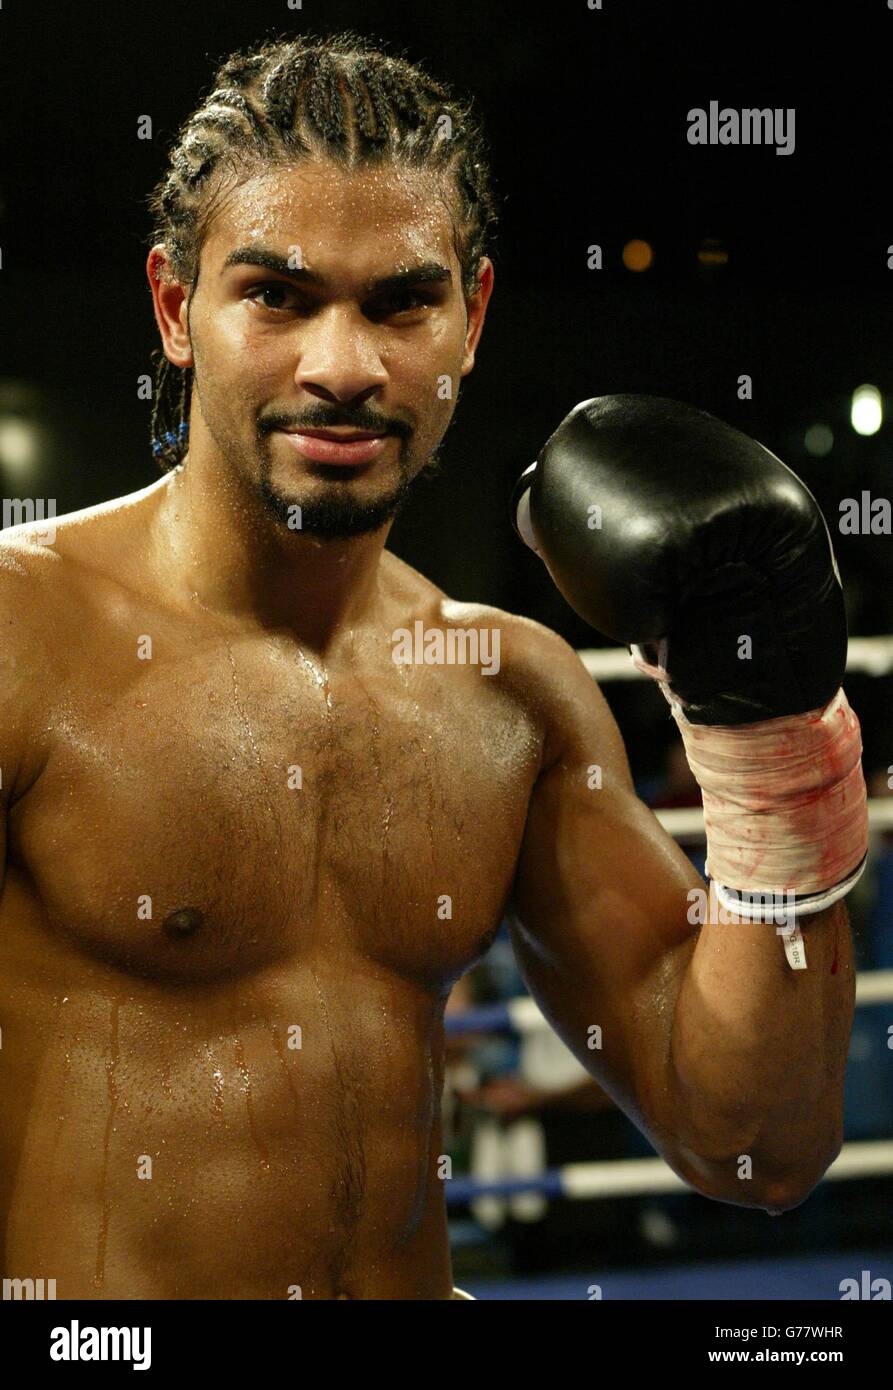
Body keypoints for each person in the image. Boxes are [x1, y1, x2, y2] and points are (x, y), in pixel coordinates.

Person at [0, 33, 866, 1301]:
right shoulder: (25, 636)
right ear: (177, 310)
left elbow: (754, 1142)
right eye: (279, 296)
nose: (342, 367)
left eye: (401, 300)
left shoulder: (510, 695)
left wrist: (777, 740)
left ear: (472, 316)